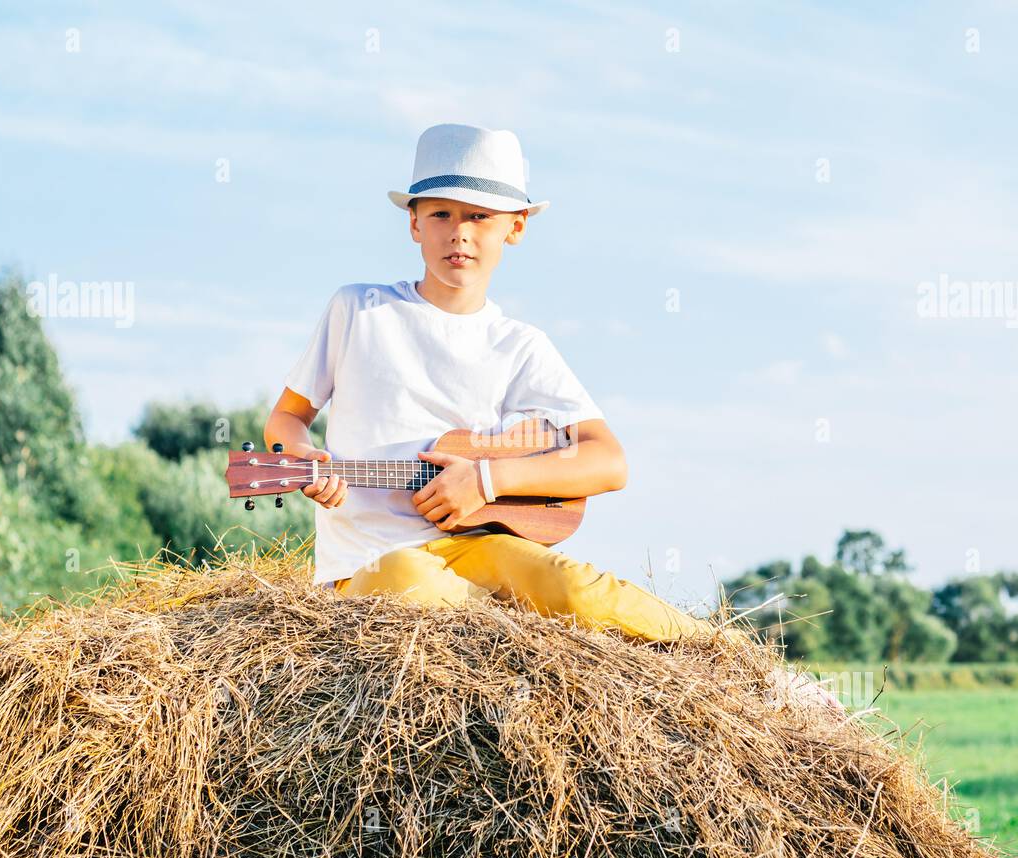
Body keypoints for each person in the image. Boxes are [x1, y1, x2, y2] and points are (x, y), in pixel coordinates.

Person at [264, 123, 844, 715]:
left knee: (573, 585)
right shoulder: (359, 310)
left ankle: (748, 671)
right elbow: (286, 420)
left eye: (480, 217)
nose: (458, 234)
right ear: (413, 223)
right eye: (440, 215)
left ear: (515, 228)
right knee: (413, 577)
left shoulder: (520, 347)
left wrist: (486, 482)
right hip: (365, 568)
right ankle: (519, 662)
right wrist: (302, 458)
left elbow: (608, 461)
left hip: (472, 547)